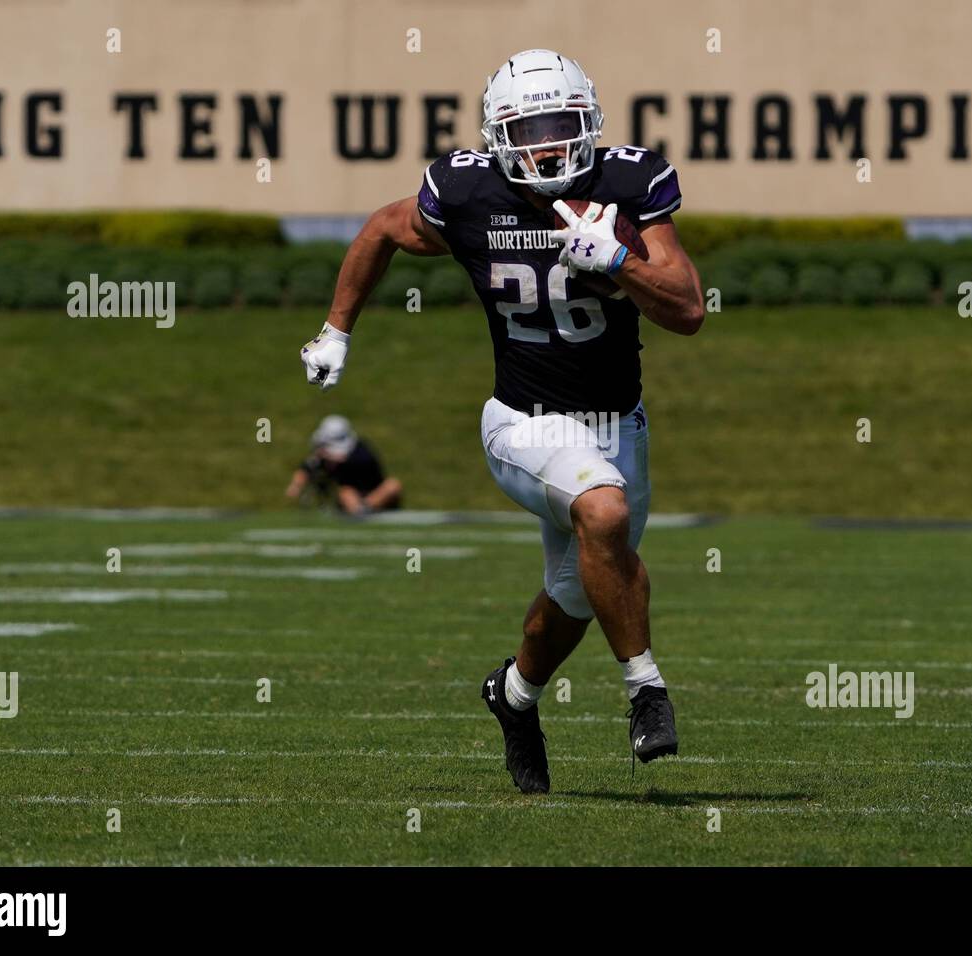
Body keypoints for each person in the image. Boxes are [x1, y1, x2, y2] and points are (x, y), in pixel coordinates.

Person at [298, 49, 704, 793]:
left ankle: (514, 697)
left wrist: (616, 257)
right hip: (521, 422)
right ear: (496, 135)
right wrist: (337, 329)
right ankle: (647, 692)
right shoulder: (468, 190)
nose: (547, 144)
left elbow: (687, 310)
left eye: (561, 125)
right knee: (603, 514)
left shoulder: (627, 182)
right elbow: (386, 229)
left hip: (620, 424)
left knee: (582, 591)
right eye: (529, 128)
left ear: (590, 122)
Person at [284, 414, 402, 516]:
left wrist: (329, 457)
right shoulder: (323, 455)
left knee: (392, 486)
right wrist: (296, 486)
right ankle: (359, 511)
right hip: (351, 497)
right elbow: (306, 469)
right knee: (346, 492)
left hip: (374, 493)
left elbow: (349, 460)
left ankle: (366, 508)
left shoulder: (361, 451)